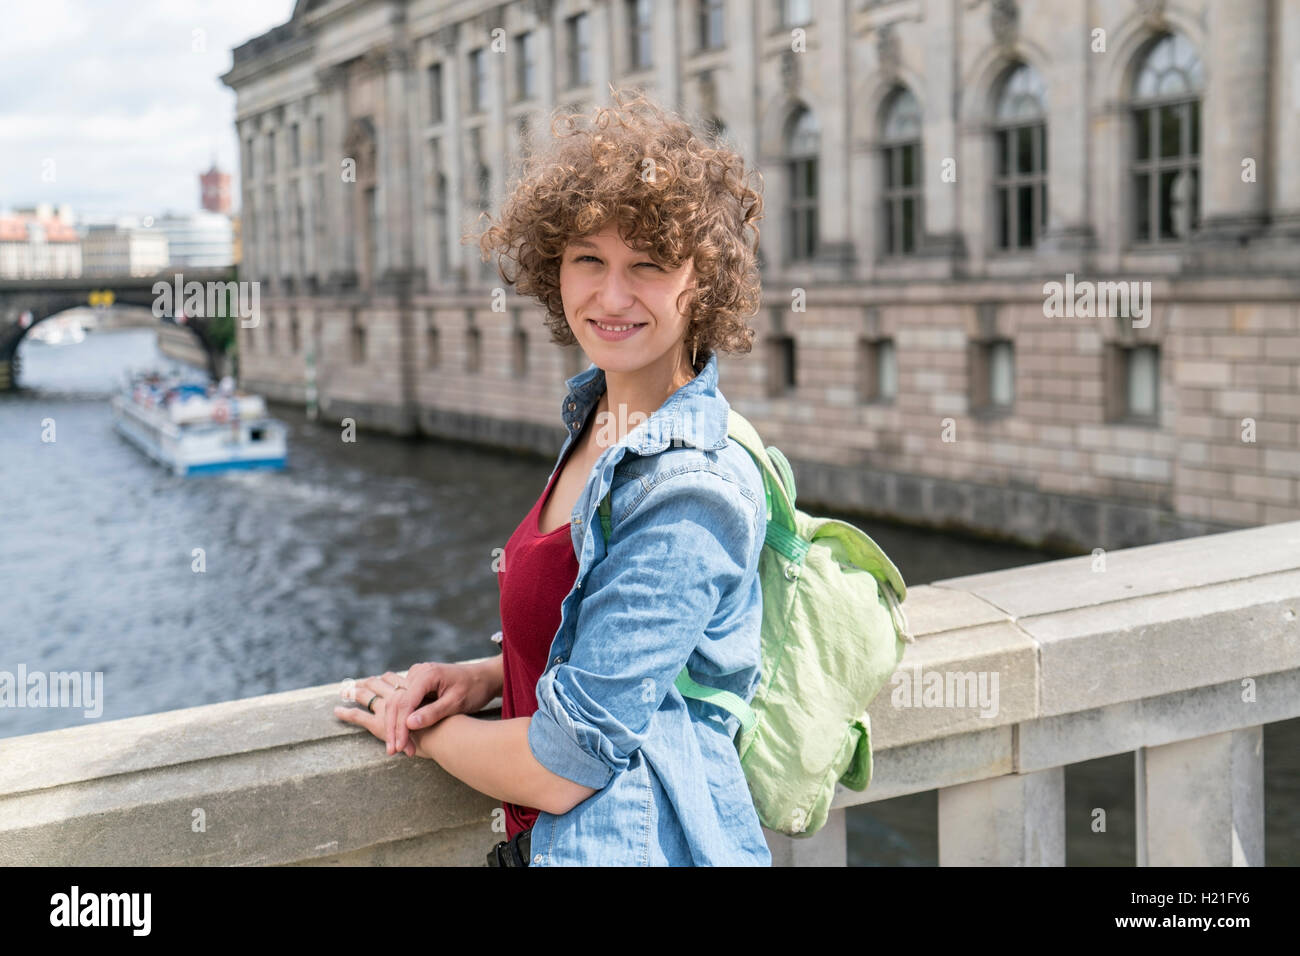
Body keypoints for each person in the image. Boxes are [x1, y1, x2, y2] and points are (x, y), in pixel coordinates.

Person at [334, 89, 770, 866]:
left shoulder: (691, 491)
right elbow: (601, 646)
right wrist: (479, 679)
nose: (610, 296)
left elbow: (565, 765)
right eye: (588, 261)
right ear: (553, 268)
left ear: (699, 280)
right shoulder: (595, 419)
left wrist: (426, 731)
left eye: (648, 266)